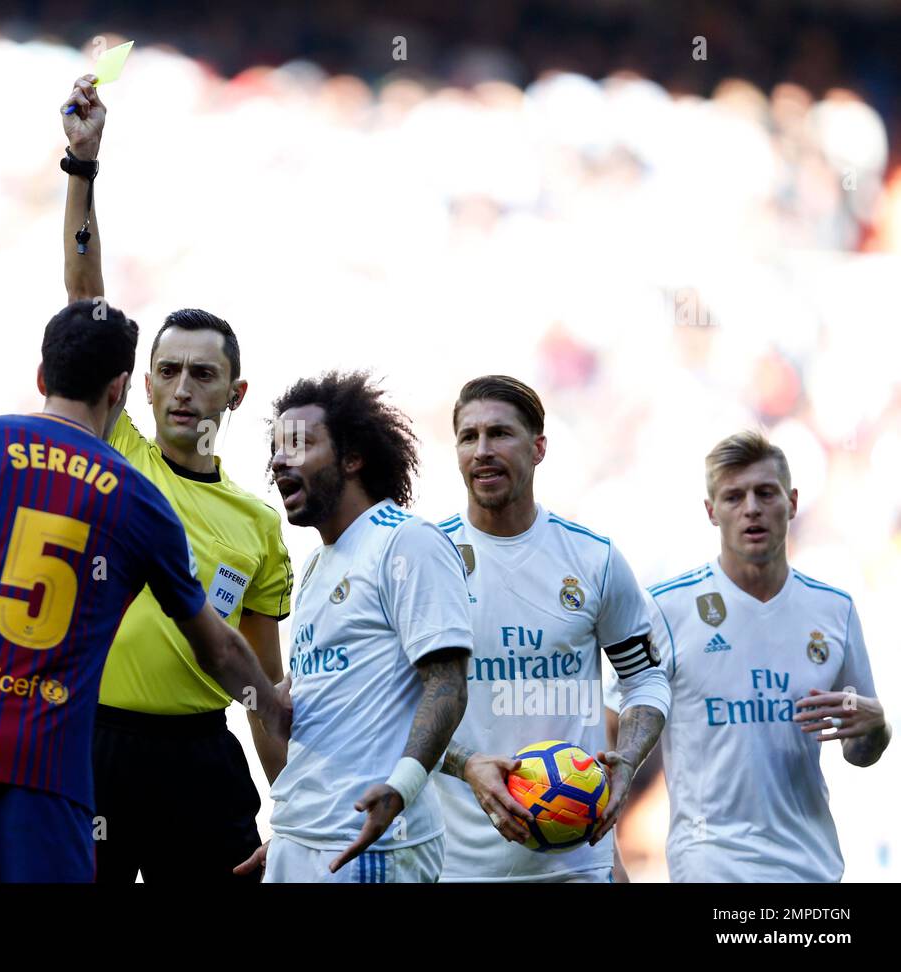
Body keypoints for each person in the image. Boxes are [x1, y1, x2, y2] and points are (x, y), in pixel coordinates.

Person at [0, 301, 290, 882]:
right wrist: (276, 707)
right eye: (166, 373)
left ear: (42, 377)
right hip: (49, 762)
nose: (183, 390)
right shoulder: (135, 496)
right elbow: (219, 649)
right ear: (124, 389)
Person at [61, 75, 294, 882]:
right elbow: (83, 301)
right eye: (169, 370)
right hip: (93, 742)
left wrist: (293, 816)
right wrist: (81, 167)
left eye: (203, 373)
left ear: (235, 394)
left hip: (199, 757)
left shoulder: (258, 527)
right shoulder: (116, 447)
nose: (185, 387)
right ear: (142, 385)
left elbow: (262, 692)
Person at [617, 430, 889, 882]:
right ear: (711, 511)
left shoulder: (834, 610)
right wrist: (610, 855)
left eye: (765, 493)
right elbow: (614, 728)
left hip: (809, 866)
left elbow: (859, 752)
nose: (751, 508)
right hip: (708, 864)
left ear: (793, 502)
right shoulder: (667, 609)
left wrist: (877, 729)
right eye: (733, 496)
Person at [236, 371, 472, 883]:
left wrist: (401, 787)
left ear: (352, 457)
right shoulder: (319, 567)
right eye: (275, 450)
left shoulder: (408, 543)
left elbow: (448, 684)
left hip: (376, 845)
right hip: (304, 840)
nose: (278, 461)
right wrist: (295, 832)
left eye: (298, 445)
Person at [432, 375, 670, 882]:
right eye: (468, 437)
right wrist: (466, 764)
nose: (482, 450)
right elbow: (390, 702)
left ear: (539, 447)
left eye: (499, 433)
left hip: (576, 861)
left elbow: (645, 679)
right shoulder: (427, 560)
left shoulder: (593, 559)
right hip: (457, 864)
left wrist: (626, 760)